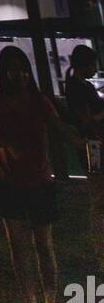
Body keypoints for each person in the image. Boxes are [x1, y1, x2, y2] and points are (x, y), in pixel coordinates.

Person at [0, 45, 65, 303]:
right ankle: (29, 299)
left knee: (44, 244)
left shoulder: (39, 100)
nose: (20, 75)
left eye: (24, 70)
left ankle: (49, 298)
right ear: (4, 72)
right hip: (8, 180)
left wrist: (82, 140)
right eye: (13, 70)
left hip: (39, 179)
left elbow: (58, 127)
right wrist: (2, 143)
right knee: (18, 246)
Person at [63, 44, 104, 271]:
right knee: (98, 202)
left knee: (98, 200)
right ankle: (101, 254)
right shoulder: (79, 89)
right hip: (93, 148)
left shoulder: (79, 86)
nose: (95, 68)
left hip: (93, 147)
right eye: (93, 64)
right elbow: (87, 121)